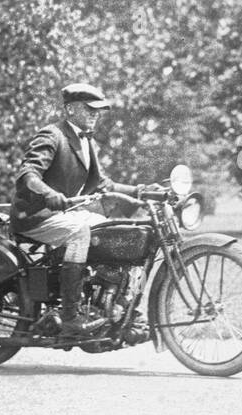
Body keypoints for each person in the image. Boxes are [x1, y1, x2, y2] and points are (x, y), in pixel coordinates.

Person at [12, 82, 146, 338]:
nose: (95, 114)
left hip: (65, 214)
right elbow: (28, 173)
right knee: (81, 232)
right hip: (36, 216)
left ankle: (119, 307)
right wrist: (47, 193)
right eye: (89, 109)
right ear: (71, 109)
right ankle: (70, 315)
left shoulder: (85, 140)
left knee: (119, 232)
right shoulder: (52, 135)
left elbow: (104, 184)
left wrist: (141, 190)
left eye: (98, 110)